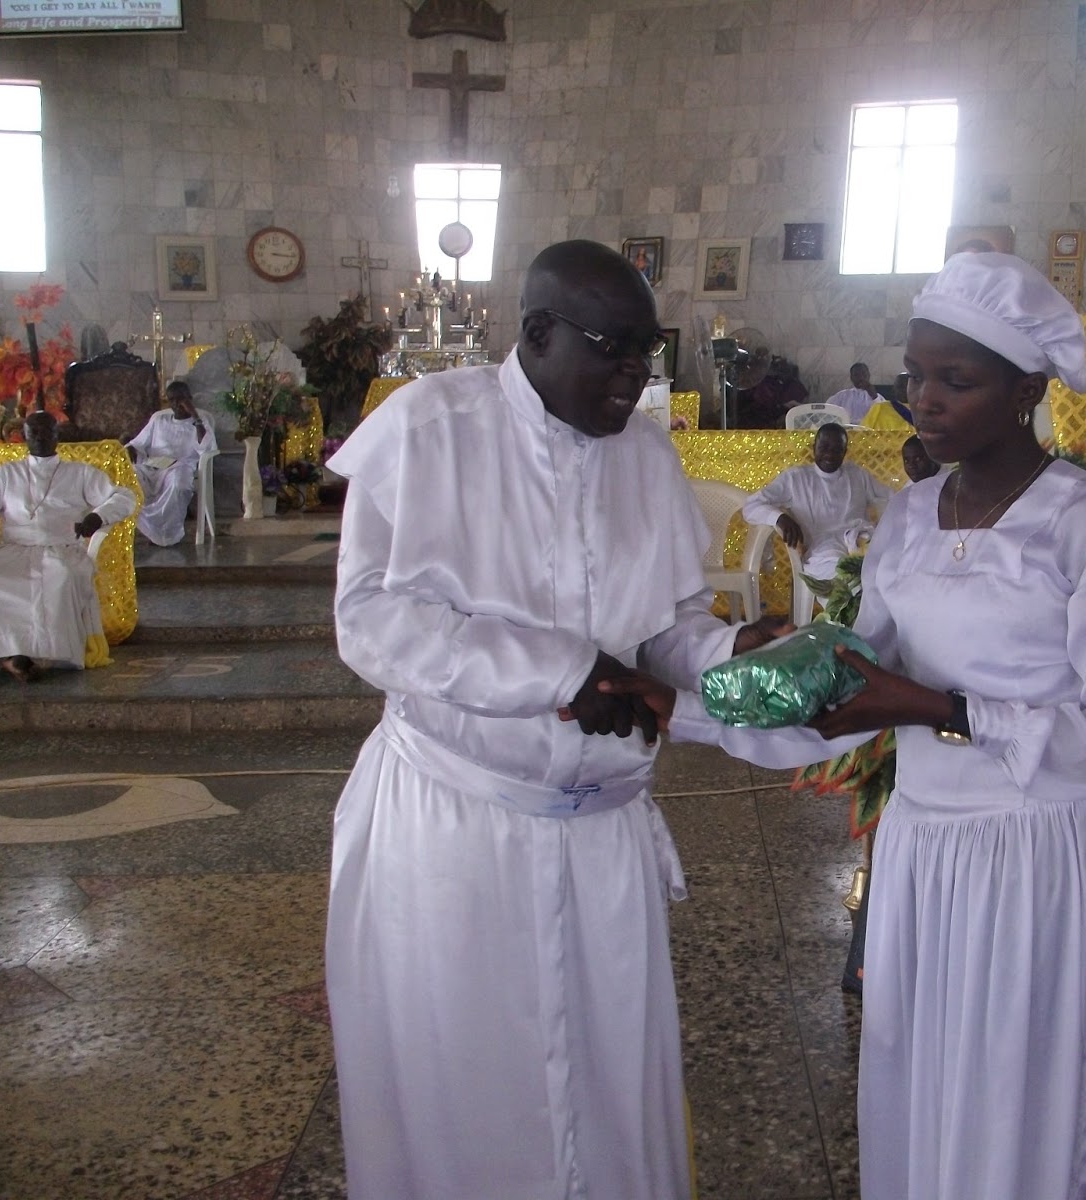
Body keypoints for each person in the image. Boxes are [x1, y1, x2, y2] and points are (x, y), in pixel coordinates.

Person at [617, 251, 1086, 1200]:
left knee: (1009, 1096)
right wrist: (687, 706)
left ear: (1027, 389)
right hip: (917, 844)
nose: (924, 399)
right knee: (916, 1075)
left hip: (1025, 852)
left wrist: (936, 707)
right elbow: (847, 686)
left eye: (956, 380)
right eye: (916, 374)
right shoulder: (910, 516)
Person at [321, 239, 784, 1200]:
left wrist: (736, 655)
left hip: (600, 837)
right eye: (615, 350)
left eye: (647, 355)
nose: (635, 378)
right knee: (468, 1104)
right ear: (537, 333)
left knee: (607, 1103)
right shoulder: (428, 430)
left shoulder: (646, 454)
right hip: (454, 835)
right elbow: (369, 621)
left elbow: (663, 629)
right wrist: (560, 670)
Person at [0, 412, 136, 682]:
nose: (39, 438)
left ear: (56, 435)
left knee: (59, 579)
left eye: (45, 432)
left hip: (61, 549)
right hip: (15, 548)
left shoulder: (79, 473)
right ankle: (11, 653)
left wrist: (97, 517)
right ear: (24, 437)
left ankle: (44, 656)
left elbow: (124, 496)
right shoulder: (7, 474)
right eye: (32, 433)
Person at [742, 422, 894, 581]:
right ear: (814, 448)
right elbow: (751, 506)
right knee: (846, 584)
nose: (830, 454)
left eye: (837, 449)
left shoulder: (857, 475)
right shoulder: (795, 478)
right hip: (823, 554)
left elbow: (892, 497)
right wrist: (779, 518)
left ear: (845, 452)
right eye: (824, 447)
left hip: (862, 545)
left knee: (887, 573)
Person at [123, 380, 215, 545]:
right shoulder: (159, 420)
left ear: (189, 398)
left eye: (181, 399)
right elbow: (137, 442)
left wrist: (195, 416)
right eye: (172, 400)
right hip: (153, 466)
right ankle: (149, 529)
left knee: (178, 483)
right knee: (128, 478)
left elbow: (207, 447)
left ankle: (168, 534)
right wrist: (130, 447)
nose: (177, 404)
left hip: (179, 467)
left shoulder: (200, 423)